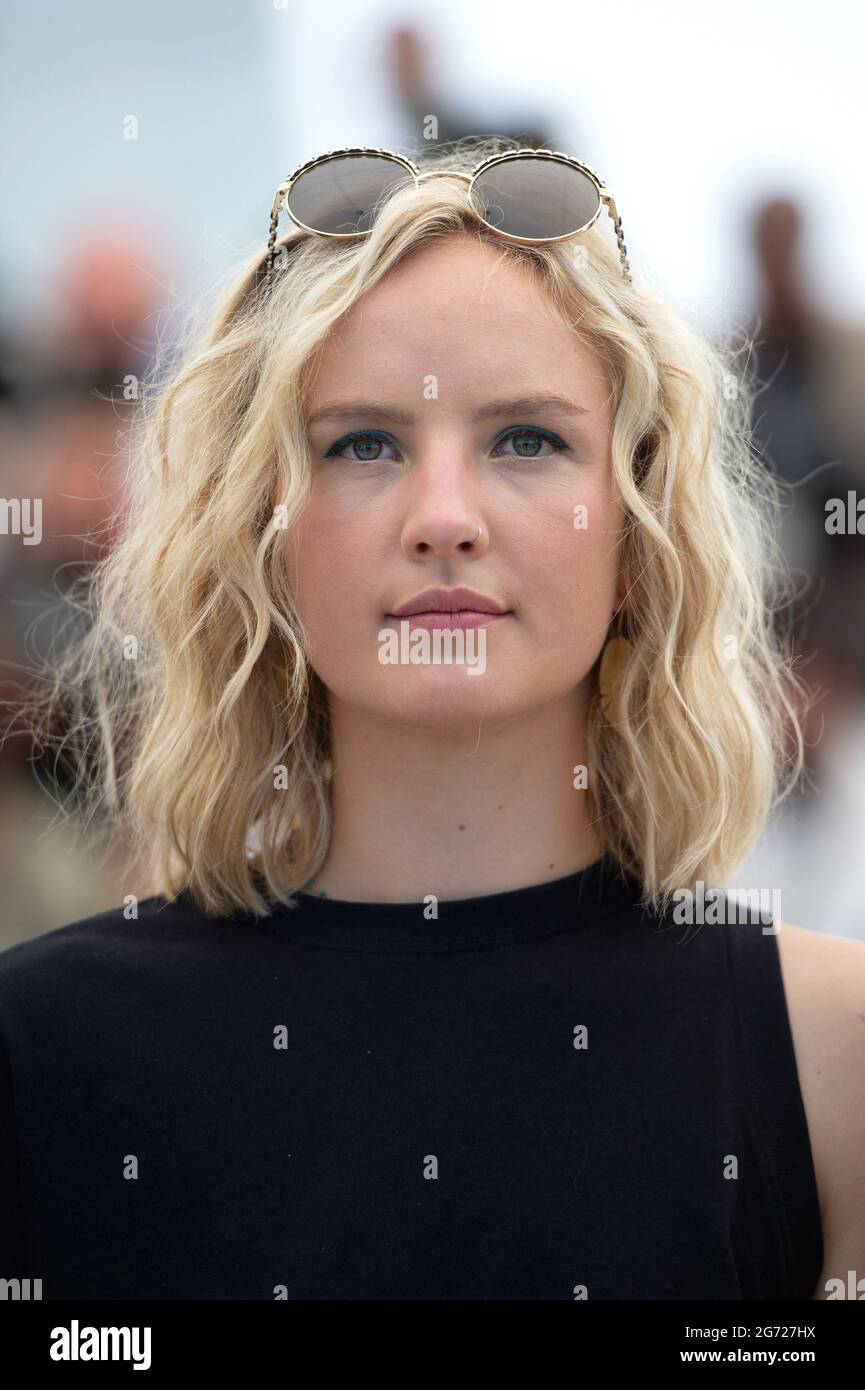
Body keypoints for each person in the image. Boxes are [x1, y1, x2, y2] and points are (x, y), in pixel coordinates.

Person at [1, 137, 863, 1301]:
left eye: (527, 439)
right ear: (260, 533)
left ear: (636, 525)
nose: (444, 516)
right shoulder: (42, 1048)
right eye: (363, 444)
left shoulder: (833, 1055)